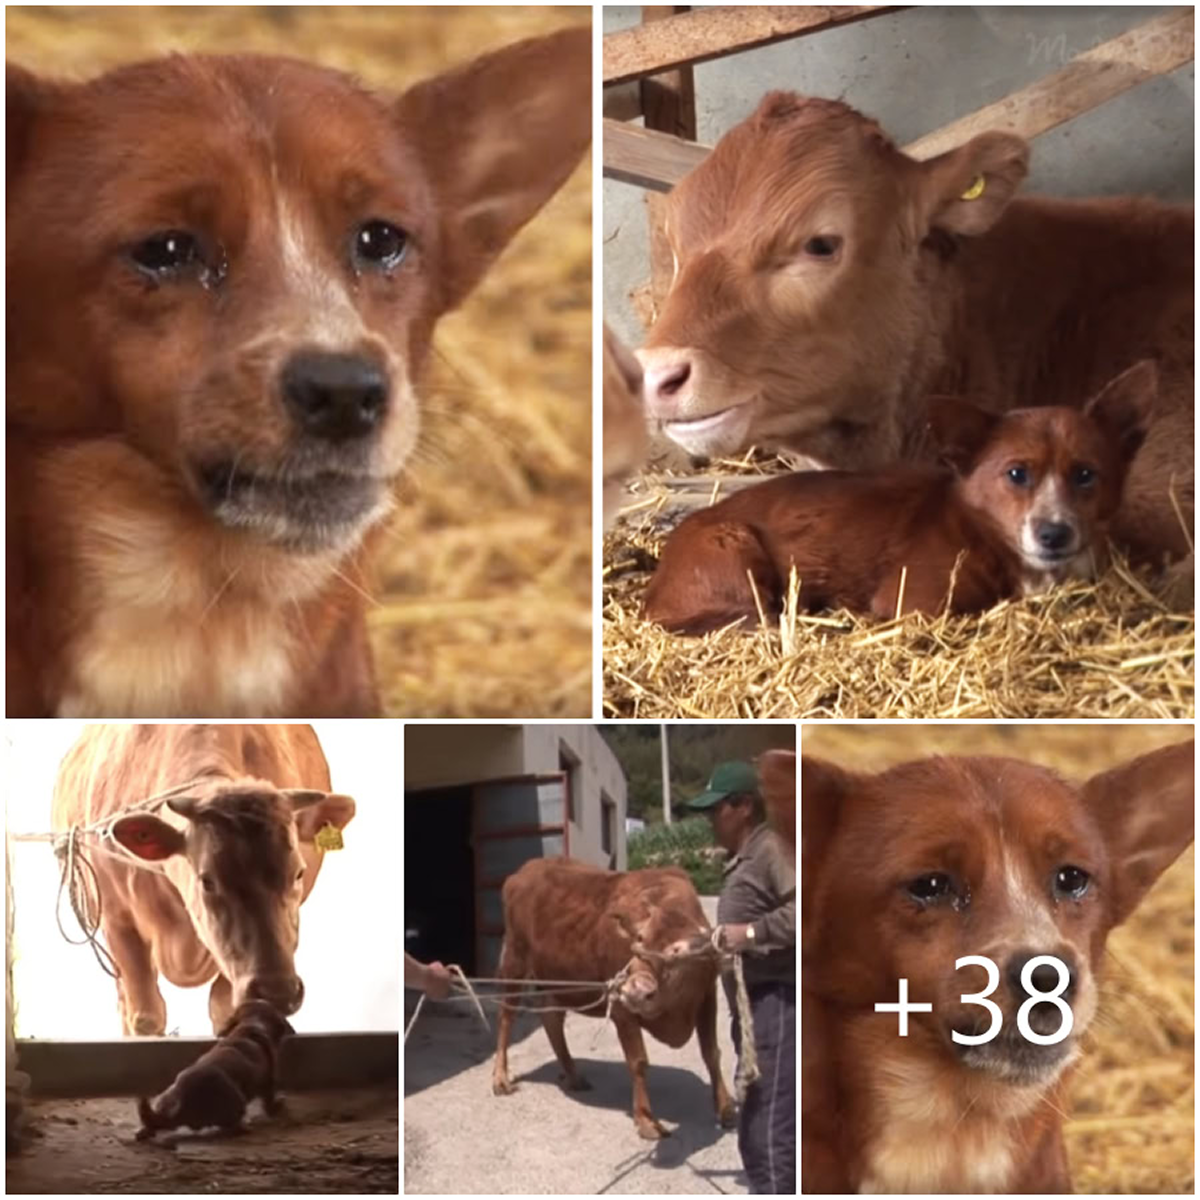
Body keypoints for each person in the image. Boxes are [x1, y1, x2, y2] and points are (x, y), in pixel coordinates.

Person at [688, 760, 795, 1195]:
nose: (710, 820)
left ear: (744, 806)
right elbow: (728, 935)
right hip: (751, 1010)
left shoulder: (774, 849)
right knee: (753, 1121)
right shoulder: (742, 859)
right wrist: (693, 947)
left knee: (771, 1125)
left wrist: (749, 934)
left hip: (776, 1003)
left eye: (716, 809)